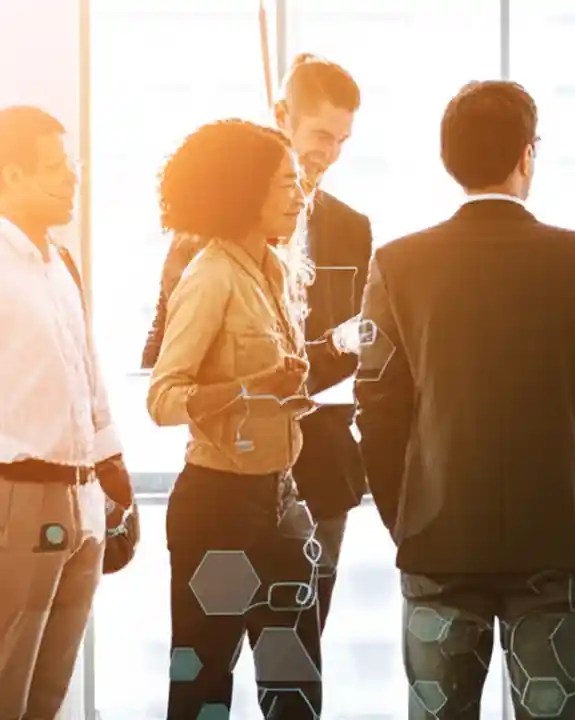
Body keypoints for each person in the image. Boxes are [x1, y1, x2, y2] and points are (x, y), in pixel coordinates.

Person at [354, 80, 575, 720]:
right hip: (555, 537)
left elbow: (376, 407)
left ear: (448, 157)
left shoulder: (398, 264)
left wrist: (408, 518)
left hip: (438, 540)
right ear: (526, 155)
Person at [142, 53, 371, 637]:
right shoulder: (205, 242)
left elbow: (352, 341)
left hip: (319, 466)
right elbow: (168, 360)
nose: (329, 155)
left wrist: (343, 350)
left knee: (295, 652)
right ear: (282, 115)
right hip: (233, 470)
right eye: (321, 136)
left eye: (342, 141)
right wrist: (262, 382)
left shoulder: (352, 227)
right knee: (210, 655)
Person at [147, 119, 323, 718]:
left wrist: (287, 387)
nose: (300, 196)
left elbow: (269, 383)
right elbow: (164, 399)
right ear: (245, 190)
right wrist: (252, 387)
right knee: (203, 689)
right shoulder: (210, 276)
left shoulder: (275, 270)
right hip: (219, 510)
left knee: (295, 686)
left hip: (281, 499)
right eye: (286, 183)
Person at [0, 105, 134, 720]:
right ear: (10, 174)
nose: (73, 177)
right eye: (54, 167)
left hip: (82, 496)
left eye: (70, 163)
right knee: (8, 679)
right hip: (18, 493)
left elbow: (87, 367)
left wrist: (112, 464)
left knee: (51, 689)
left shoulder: (60, 263)